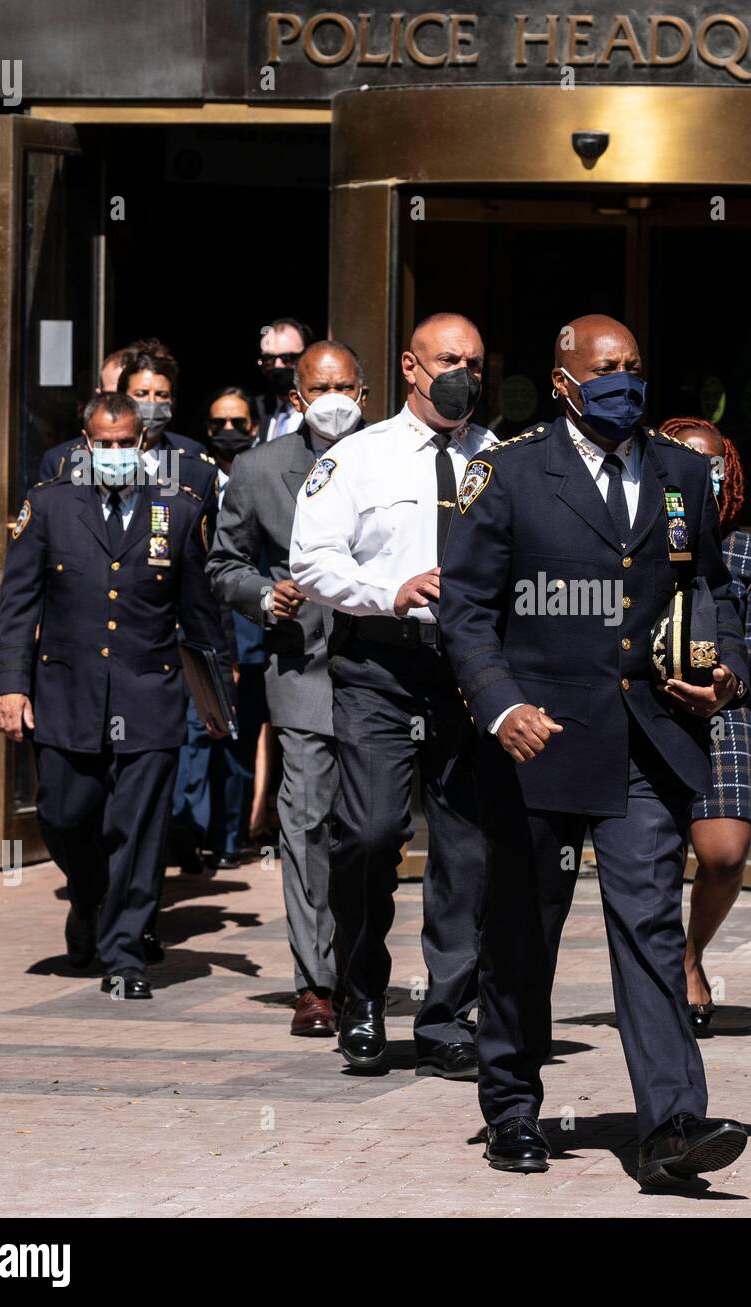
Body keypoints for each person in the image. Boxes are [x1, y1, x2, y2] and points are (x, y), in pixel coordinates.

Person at [439, 314, 751, 1185]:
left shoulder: (682, 468)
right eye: (606, 368)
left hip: (646, 741)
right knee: (523, 932)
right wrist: (500, 707)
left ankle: (672, 1124)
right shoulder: (505, 474)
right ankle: (510, 1106)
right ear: (565, 381)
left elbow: (711, 590)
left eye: (636, 366)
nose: (625, 380)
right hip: (537, 743)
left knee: (650, 927)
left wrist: (720, 669)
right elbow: (465, 609)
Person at [289, 313, 492, 1080]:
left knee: (466, 850)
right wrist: (389, 590)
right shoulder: (357, 458)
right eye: (448, 359)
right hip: (379, 664)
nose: (462, 373)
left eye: (474, 361)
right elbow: (311, 561)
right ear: (410, 366)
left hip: (467, 675)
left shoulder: (499, 459)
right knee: (371, 835)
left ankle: (447, 1017)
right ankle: (361, 993)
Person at [0, 392, 229, 999]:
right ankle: (90, 902)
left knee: (139, 829)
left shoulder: (177, 510)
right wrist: (10, 686)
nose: (118, 454)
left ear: (143, 445)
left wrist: (215, 699)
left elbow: (200, 617)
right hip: (66, 694)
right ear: (86, 443)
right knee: (65, 817)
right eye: (107, 444)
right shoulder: (48, 507)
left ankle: (124, 955)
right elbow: (18, 607)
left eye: (129, 444)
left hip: (148, 696)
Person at [208, 350, 365, 1037]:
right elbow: (224, 564)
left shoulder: (395, 458)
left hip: (387, 671)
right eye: (319, 387)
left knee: (372, 830)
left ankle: (373, 966)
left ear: (365, 389)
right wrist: (264, 595)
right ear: (297, 397)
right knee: (304, 821)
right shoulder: (259, 469)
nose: (334, 397)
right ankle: (317, 983)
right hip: (303, 671)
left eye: (344, 386)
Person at [659, 417, 751, 1033]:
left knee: (726, 853)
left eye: (709, 463)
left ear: (726, 473)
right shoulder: (638, 537)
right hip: (648, 708)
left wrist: (726, 672)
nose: (696, 471)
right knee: (652, 857)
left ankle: (690, 953)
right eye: (681, 458)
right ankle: (657, 978)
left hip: (721, 711)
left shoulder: (747, 551)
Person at [170, 390, 267, 873]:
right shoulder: (193, 481)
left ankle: (229, 839)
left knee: (237, 746)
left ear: (255, 425)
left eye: (238, 420)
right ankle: (190, 834)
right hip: (198, 633)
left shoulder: (263, 478)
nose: (228, 429)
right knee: (193, 738)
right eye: (218, 421)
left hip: (250, 642)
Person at [41, 339, 217, 497]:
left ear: (172, 402)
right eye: (141, 394)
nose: (151, 403)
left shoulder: (193, 461)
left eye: (161, 395)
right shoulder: (66, 461)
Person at [255, 317, 312, 442]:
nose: (278, 365)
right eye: (269, 359)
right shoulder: (254, 410)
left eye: (288, 358)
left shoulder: (320, 410)